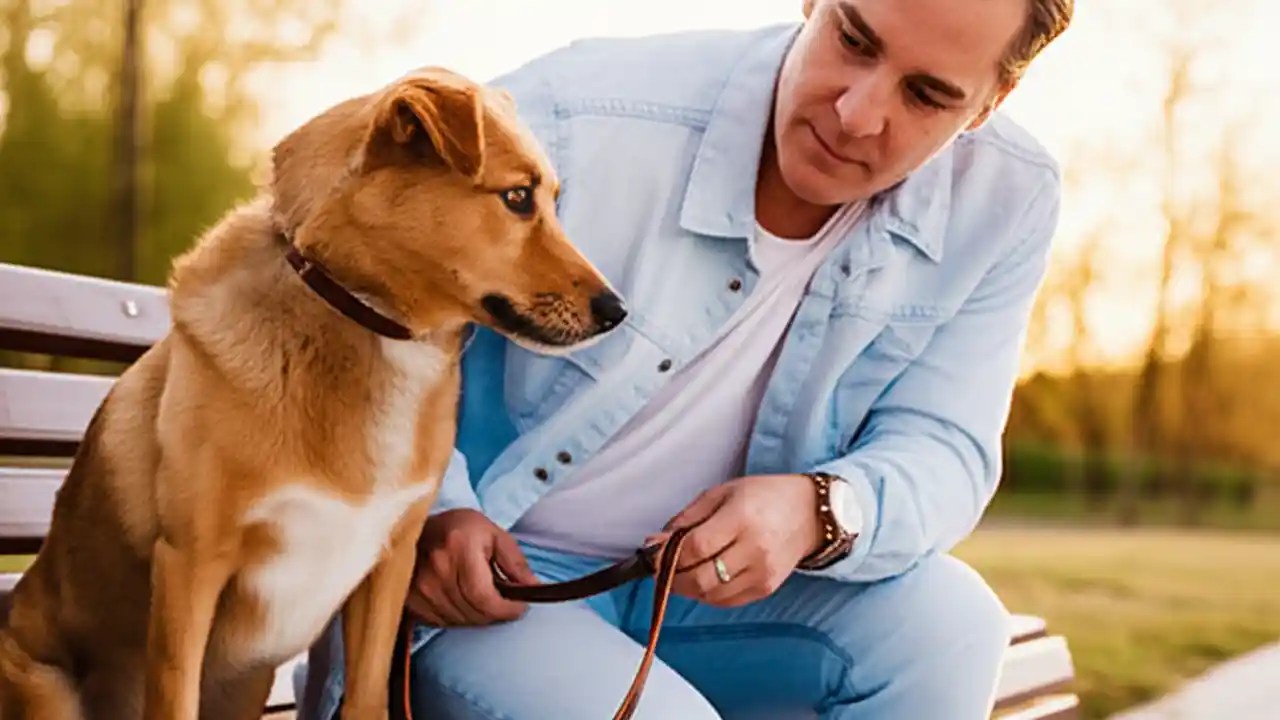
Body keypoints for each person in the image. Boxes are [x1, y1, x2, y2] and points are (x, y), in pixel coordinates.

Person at [302, 0, 1074, 718]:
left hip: (716, 597)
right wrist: (433, 509)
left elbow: (947, 447)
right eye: (854, 39)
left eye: (928, 96)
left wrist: (818, 512)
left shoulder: (1008, 199)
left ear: (990, 102)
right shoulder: (580, 113)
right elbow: (350, 298)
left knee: (955, 628)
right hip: (491, 590)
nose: (857, 113)